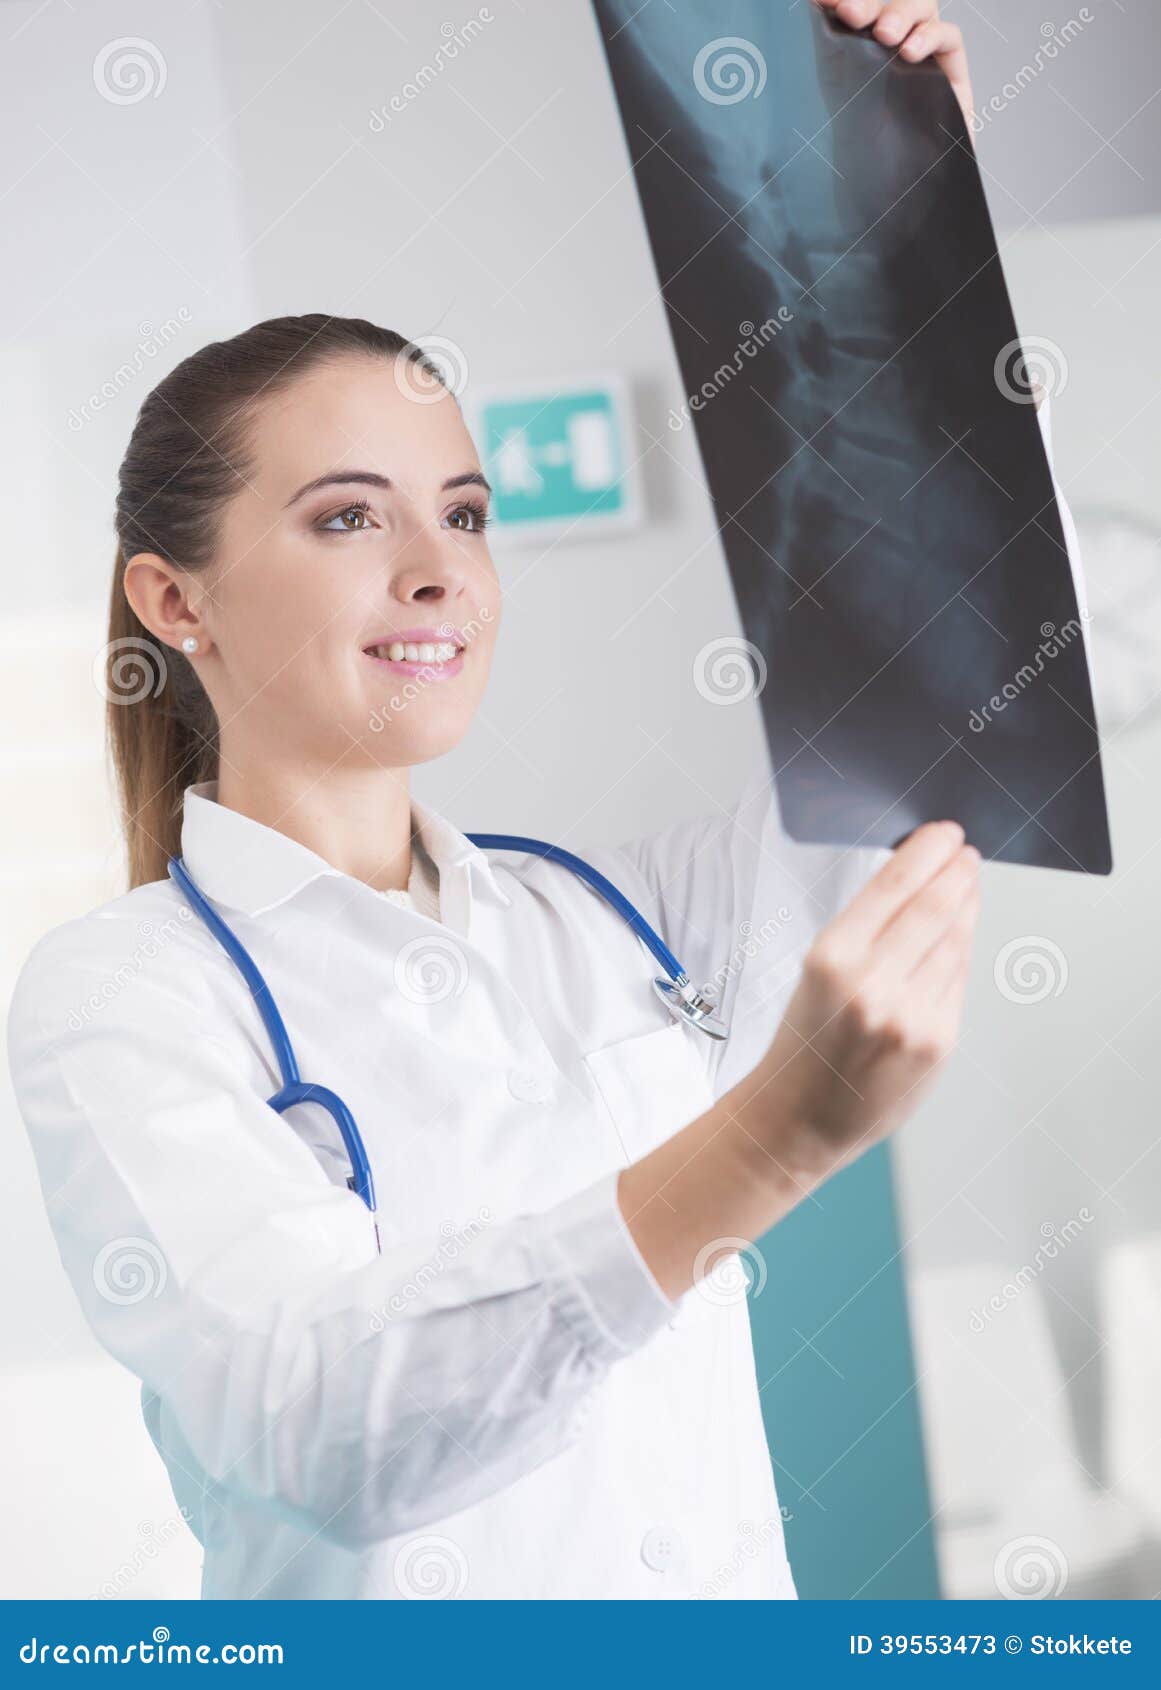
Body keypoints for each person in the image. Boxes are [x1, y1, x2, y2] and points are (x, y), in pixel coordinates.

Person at [8, 4, 1054, 1601]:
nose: (438, 568)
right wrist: (768, 1141)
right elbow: (322, 1425)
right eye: (348, 515)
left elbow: (920, 701)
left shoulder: (614, 913)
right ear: (176, 601)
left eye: (466, 511)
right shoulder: (121, 994)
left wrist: (897, 228)